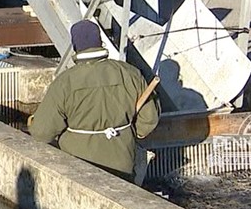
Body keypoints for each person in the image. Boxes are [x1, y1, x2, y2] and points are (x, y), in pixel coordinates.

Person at [29, 19, 159, 182]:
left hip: (79, 166)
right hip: (122, 162)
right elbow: (149, 118)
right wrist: (131, 130)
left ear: (75, 46)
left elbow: (42, 132)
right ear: (100, 42)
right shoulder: (129, 73)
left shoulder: (65, 82)